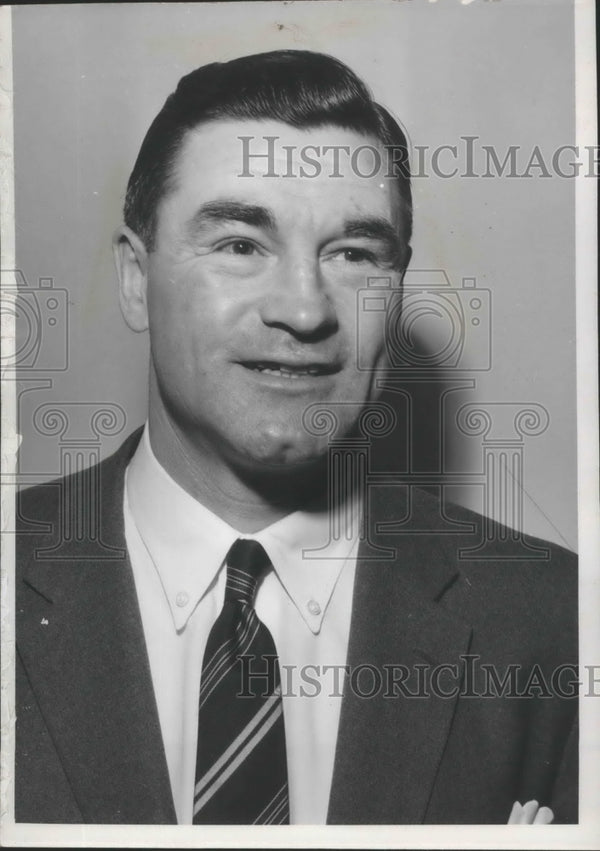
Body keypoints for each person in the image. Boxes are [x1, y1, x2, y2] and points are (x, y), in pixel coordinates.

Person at [15, 49, 577, 825]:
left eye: (353, 254)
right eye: (241, 244)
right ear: (136, 281)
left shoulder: (555, 623)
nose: (304, 310)